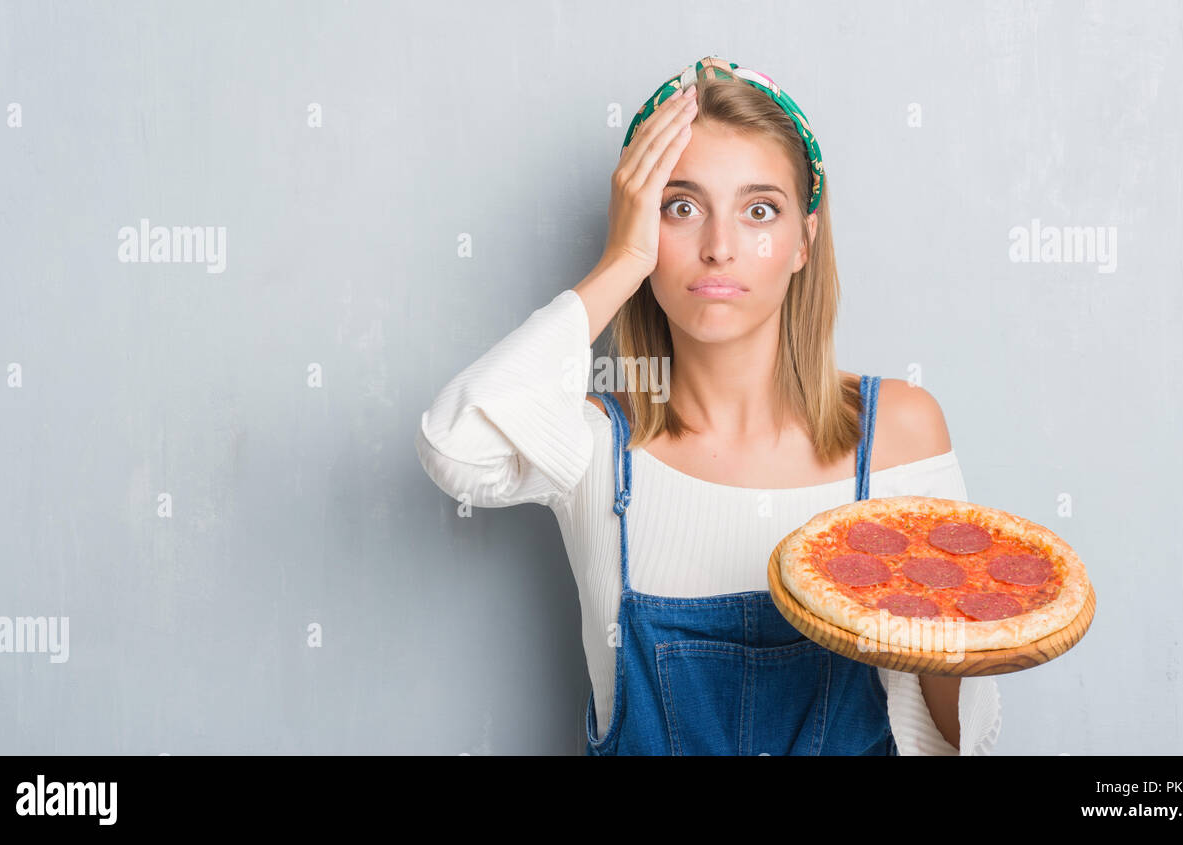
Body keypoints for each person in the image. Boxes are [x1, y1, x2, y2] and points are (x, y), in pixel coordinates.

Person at [416, 56, 1000, 755]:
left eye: (759, 210)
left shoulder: (898, 434)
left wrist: (946, 622)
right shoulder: (595, 444)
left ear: (802, 242)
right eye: (680, 207)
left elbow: (962, 737)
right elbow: (454, 442)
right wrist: (621, 261)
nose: (719, 247)